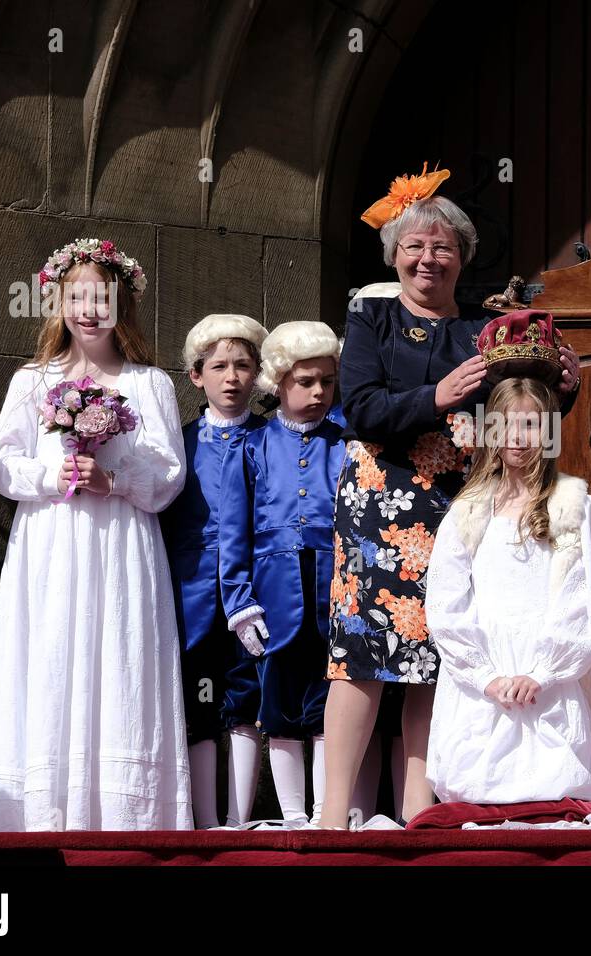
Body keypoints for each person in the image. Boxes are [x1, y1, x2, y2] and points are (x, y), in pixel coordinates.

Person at [319, 166, 580, 829]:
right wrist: (434, 398)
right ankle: (329, 812)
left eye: (442, 247)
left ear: (462, 258)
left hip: (461, 510)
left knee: (441, 656)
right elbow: (362, 409)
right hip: (380, 512)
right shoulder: (370, 317)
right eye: (414, 246)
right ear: (395, 255)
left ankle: (418, 807)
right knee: (362, 658)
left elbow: (525, 413)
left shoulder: (483, 332)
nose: (428, 258)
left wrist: (565, 388)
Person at [0, 238, 190, 830]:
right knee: (52, 650)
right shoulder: (33, 379)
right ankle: (44, 808)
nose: (89, 309)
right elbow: (2, 463)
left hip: (120, 543)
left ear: (119, 302)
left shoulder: (150, 383)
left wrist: (115, 478)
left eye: (101, 297)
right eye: (77, 297)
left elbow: (169, 471)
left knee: (119, 649)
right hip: (52, 541)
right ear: (59, 303)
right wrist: (54, 474)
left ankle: (122, 810)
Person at [425, 376, 591, 825]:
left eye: (530, 424)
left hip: (547, 675)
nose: (518, 437)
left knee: (554, 790)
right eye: (507, 424)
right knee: (480, 796)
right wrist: (484, 675)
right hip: (484, 676)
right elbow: (446, 601)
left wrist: (543, 673)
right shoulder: (469, 510)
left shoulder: (576, 508)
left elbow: (587, 599)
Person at [219, 321, 345, 825]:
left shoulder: (345, 444)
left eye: (327, 382)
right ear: (278, 382)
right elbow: (234, 532)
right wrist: (240, 601)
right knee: (278, 702)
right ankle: (293, 813)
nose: (317, 392)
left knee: (330, 701)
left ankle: (325, 810)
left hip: (334, 587)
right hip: (274, 594)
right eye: (305, 381)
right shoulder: (252, 446)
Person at [161, 313, 268, 828]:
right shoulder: (177, 444)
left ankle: (240, 816)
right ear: (196, 376)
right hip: (192, 593)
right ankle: (205, 820)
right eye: (219, 366)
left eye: (243, 365)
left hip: (258, 596)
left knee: (247, 694)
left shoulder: (272, 440)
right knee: (197, 698)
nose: (232, 377)